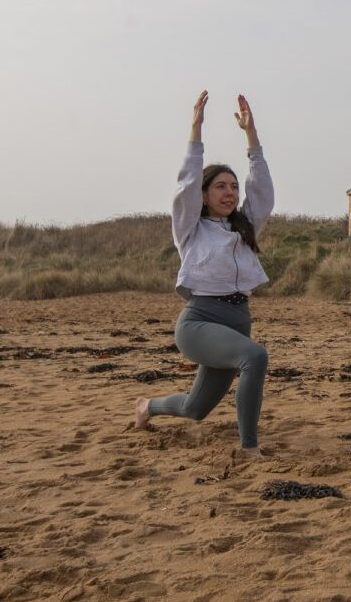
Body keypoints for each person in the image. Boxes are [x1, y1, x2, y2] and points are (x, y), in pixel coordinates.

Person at [134, 91, 275, 458]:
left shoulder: (244, 227)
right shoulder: (190, 230)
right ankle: (249, 449)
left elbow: (261, 190)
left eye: (233, 187)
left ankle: (147, 406)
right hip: (199, 323)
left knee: (196, 409)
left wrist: (251, 136)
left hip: (237, 321)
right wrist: (195, 130)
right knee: (255, 358)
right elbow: (186, 184)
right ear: (205, 194)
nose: (229, 193)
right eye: (220, 186)